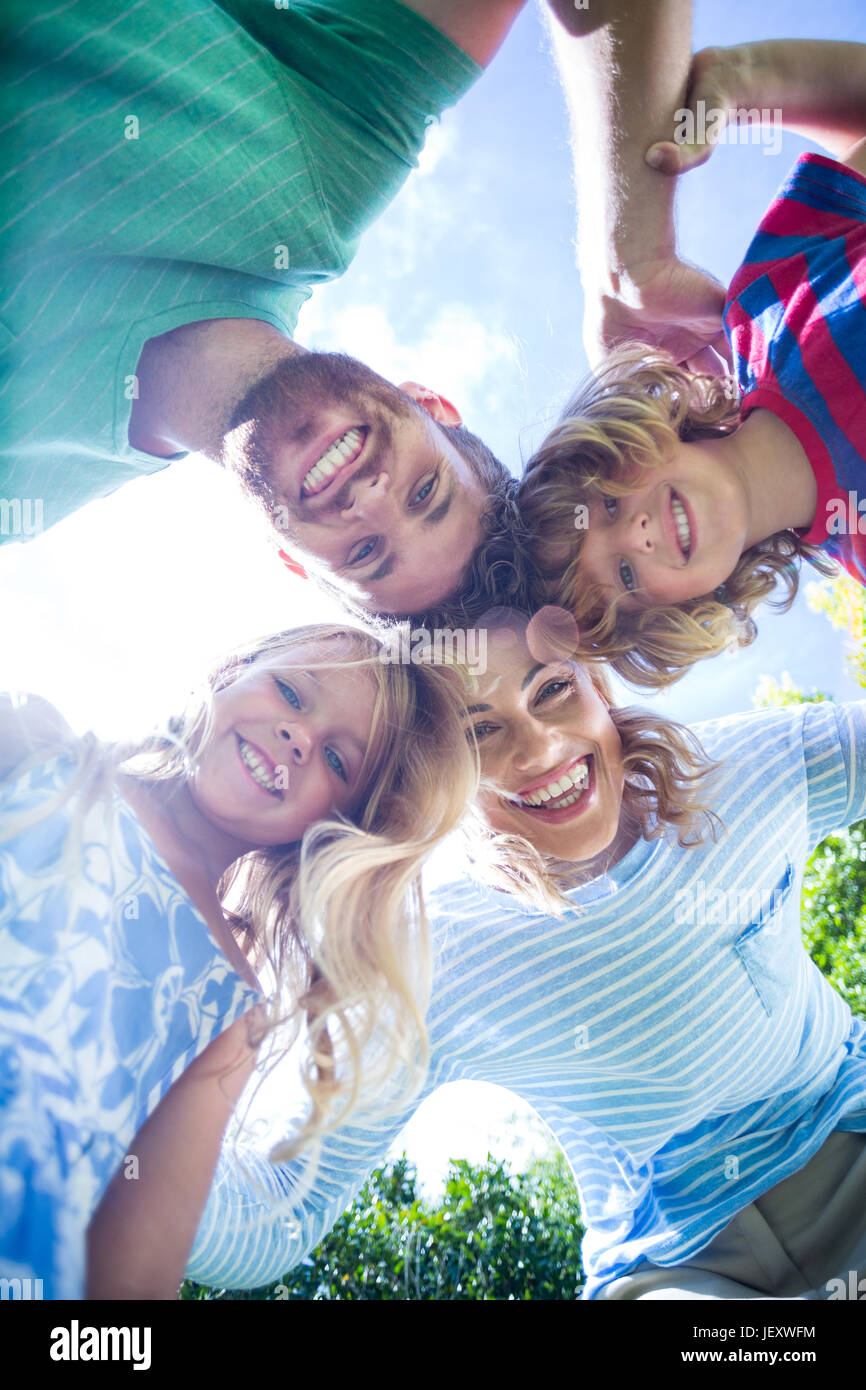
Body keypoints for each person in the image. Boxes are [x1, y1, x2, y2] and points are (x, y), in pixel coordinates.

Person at [176, 607, 866, 1302]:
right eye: (481, 733)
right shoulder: (431, 954)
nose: (539, 750)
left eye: (553, 690)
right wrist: (103, 1143)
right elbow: (277, 1215)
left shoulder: (747, 773)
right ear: (443, 780)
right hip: (677, 1263)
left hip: (847, 1132)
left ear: (598, 684)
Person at [0, 0, 730, 616]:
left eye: (367, 554)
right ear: (432, 405)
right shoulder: (330, 142)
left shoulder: (23, 485)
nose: (373, 503)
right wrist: (626, 254)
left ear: (290, 563)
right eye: (426, 492)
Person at [0, 622, 478, 1299]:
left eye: (338, 761)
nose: (298, 737)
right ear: (233, 670)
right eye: (290, 692)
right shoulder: (35, 749)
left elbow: (127, 1291)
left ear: (330, 830)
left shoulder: (228, 1015)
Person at [517, 40, 866, 689]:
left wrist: (752, 79)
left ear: (635, 432)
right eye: (625, 578)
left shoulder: (762, 305)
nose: (639, 535)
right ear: (681, 611)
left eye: (612, 504)